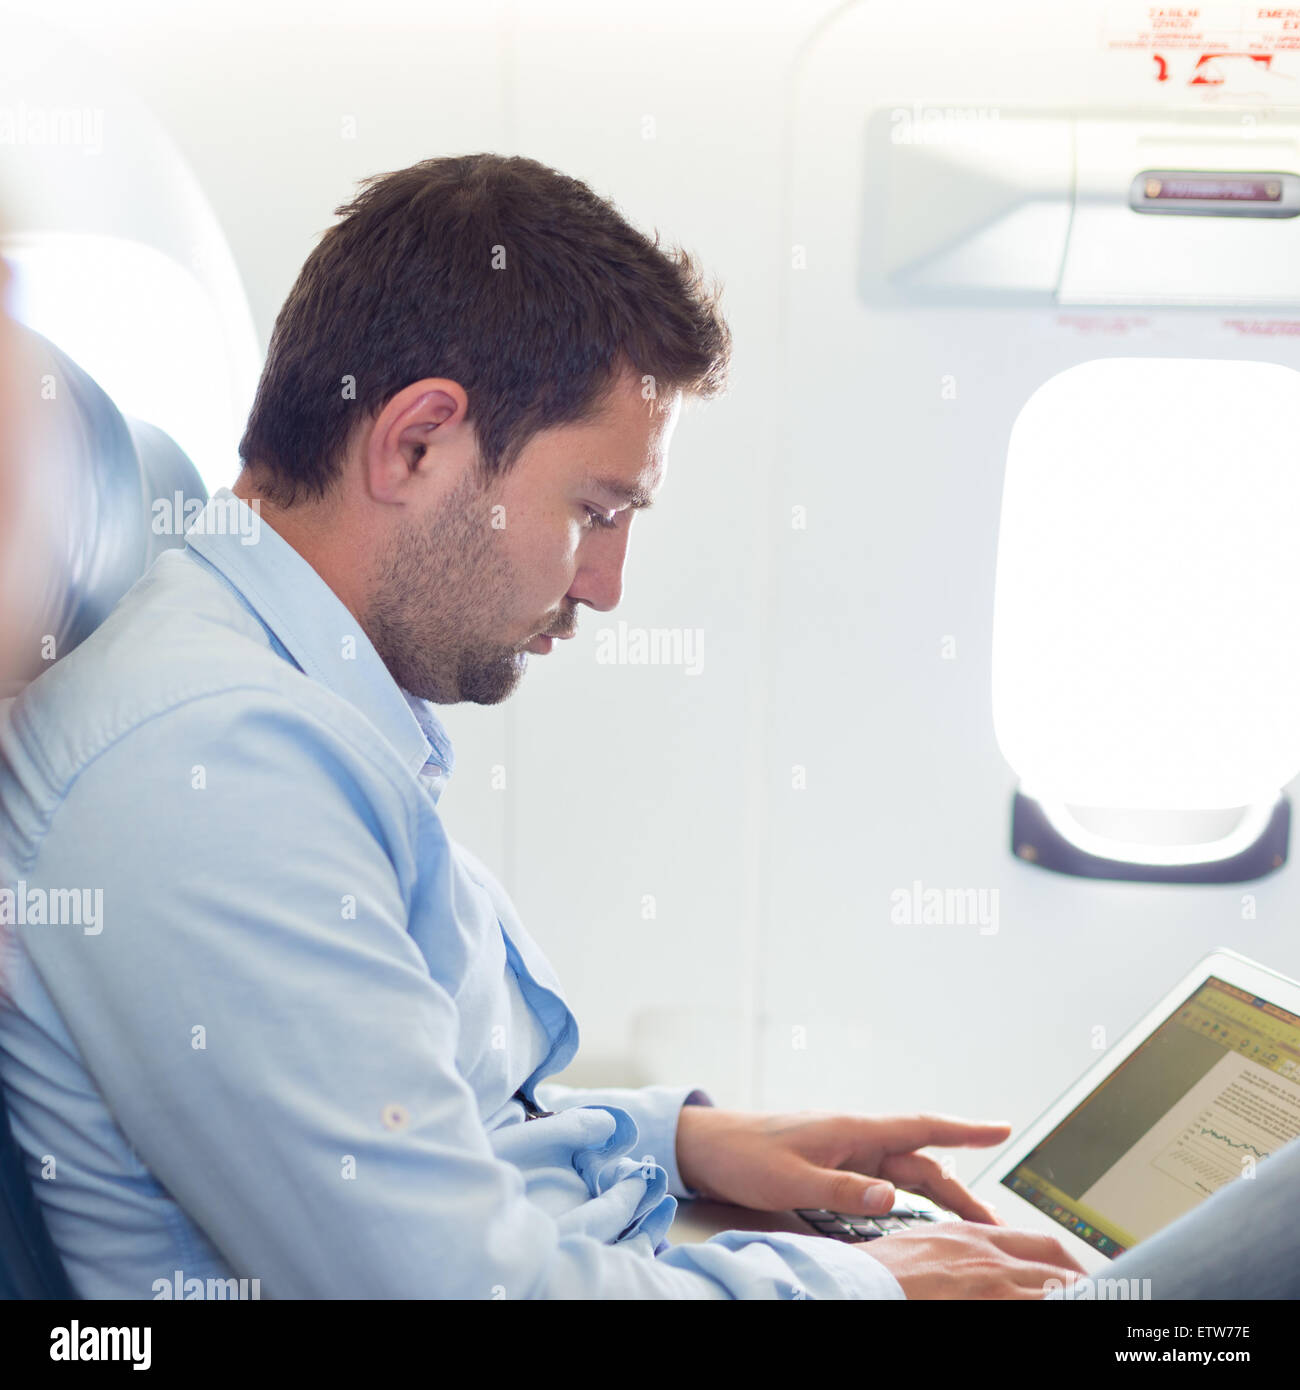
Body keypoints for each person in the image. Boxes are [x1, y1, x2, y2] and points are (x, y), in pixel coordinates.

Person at [0, 151, 1261, 1301]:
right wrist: (870, 1292)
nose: (605, 585)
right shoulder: (210, 767)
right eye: (596, 510)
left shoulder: (291, 696)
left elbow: (433, 1119)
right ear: (419, 441)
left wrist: (676, 1140)